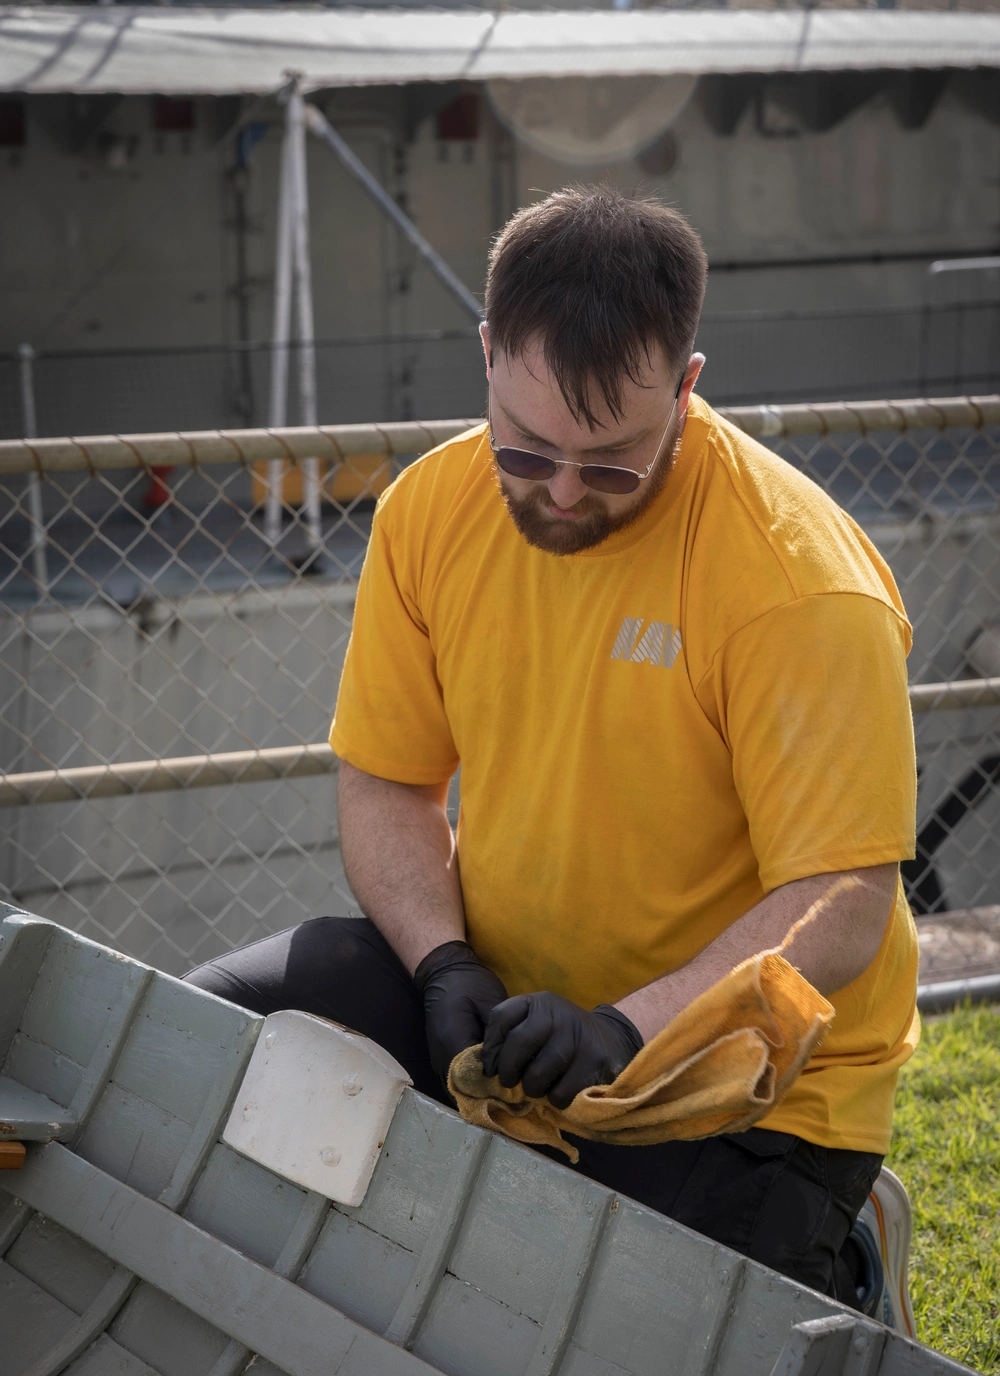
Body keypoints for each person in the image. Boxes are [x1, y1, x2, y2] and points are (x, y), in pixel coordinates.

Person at [187, 188, 919, 1315]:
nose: (565, 493)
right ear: (486, 355)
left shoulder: (793, 584)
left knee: (599, 1346)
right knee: (193, 1045)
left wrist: (630, 1026)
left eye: (613, 461)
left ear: (687, 384)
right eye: (525, 449)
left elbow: (845, 900)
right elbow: (386, 782)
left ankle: (842, 1252)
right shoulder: (428, 511)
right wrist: (440, 963)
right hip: (505, 1012)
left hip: (738, 1085)